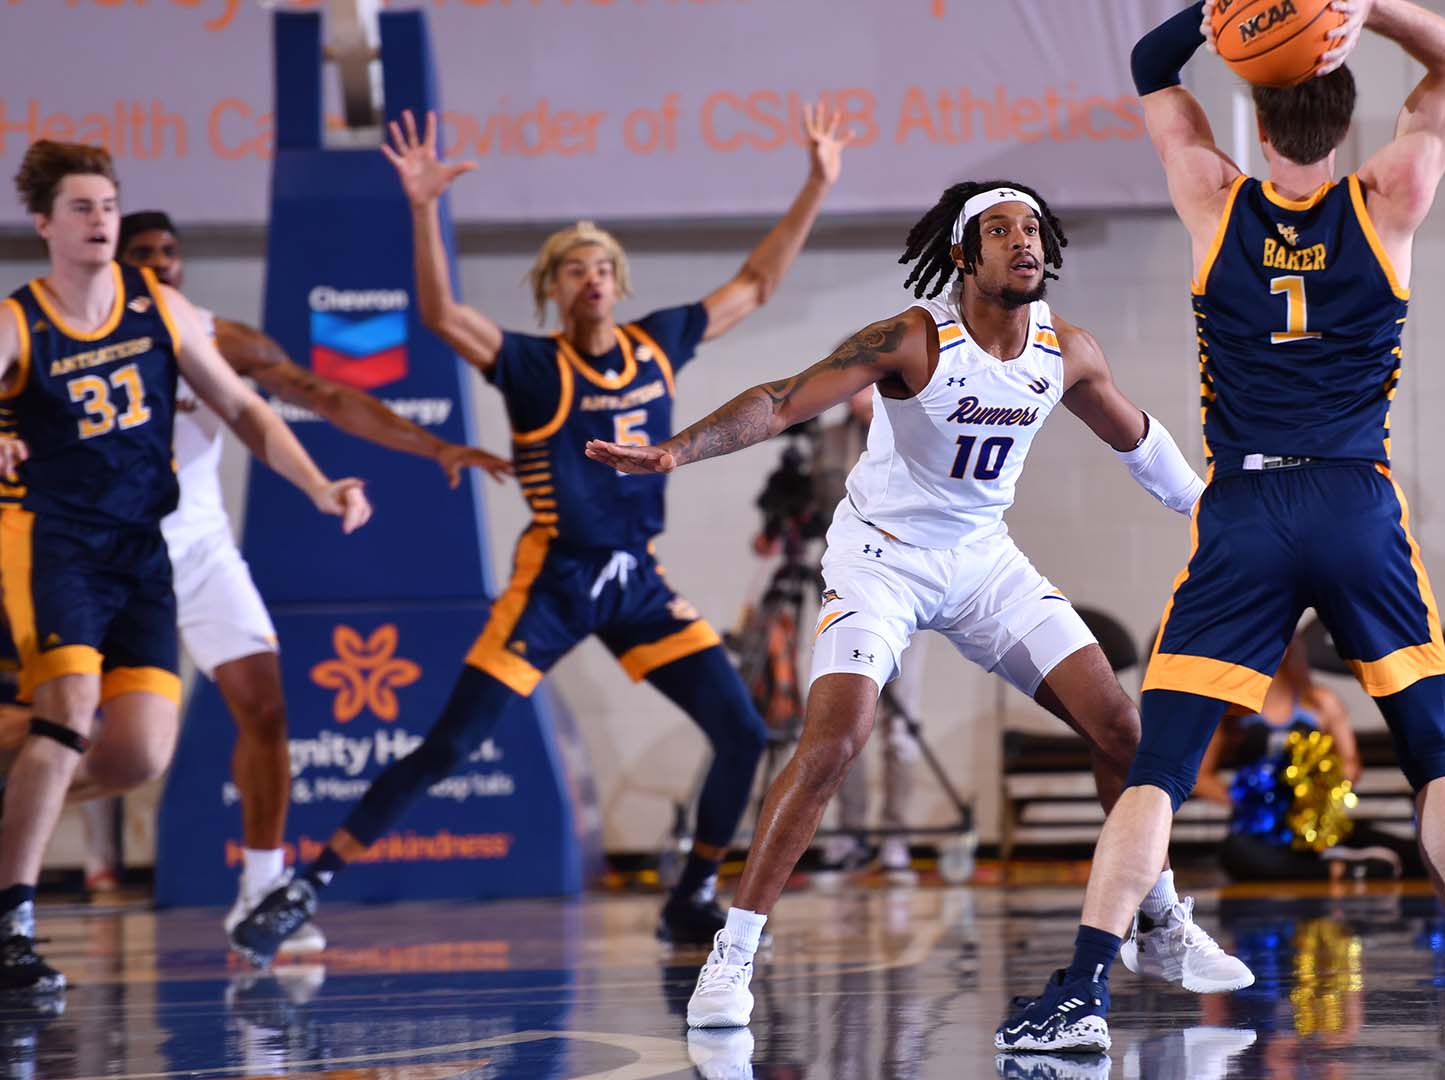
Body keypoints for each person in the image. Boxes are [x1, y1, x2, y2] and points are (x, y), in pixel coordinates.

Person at [584, 177, 1247, 1034]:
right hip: (881, 561)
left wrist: (1213, 511)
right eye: (1002, 230)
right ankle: (732, 953)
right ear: (964, 256)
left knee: (1121, 728)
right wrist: (677, 450)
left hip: (982, 562)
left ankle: (1156, 922)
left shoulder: (1067, 349)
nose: (1024, 242)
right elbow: (784, 399)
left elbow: (1138, 443)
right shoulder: (913, 338)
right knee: (835, 743)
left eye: (1034, 229)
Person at [1000, 0, 1445, 1053]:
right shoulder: (1392, 197)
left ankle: (1083, 989)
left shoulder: (1210, 199)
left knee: (1158, 770)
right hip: (1352, 498)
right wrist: (1363, 9)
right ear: (1345, 113)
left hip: (1243, 506)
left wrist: (1228, 9)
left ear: (1255, 104)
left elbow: (1153, 63)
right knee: (1432, 755)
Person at [229, 105, 847, 963]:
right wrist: (420, 206)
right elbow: (441, 313)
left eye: (602, 265)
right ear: (552, 289)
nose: (590, 276)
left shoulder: (661, 341)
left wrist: (818, 181)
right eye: (573, 268)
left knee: (743, 731)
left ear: (618, 283)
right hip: (554, 579)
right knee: (449, 744)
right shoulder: (532, 364)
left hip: (636, 580)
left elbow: (757, 284)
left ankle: (694, 892)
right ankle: (307, 884)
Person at [0, 139, 371, 997]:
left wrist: (319, 486)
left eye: (108, 205)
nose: (99, 220)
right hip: (56, 542)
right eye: (82, 208)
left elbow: (244, 405)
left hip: (146, 548)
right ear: (44, 225)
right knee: (68, 716)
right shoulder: (20, 320)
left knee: (135, 755)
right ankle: (14, 925)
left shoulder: (160, 310)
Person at [117, 209, 512, 950]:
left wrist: (434, 448)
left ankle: (261, 889)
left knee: (265, 708)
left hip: (201, 551)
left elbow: (325, 398)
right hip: (105, 553)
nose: (159, 264)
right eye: (141, 253)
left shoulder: (220, 339)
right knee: (91, 740)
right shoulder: (71, 341)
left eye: (169, 252)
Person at [810, 385, 924, 876]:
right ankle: (848, 832)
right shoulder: (829, 442)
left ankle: (895, 834)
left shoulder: (914, 434)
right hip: (846, 587)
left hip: (903, 585)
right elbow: (810, 510)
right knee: (840, 715)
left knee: (900, 723)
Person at [1198, 639, 1414, 881]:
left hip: (1315, 826)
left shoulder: (1320, 700)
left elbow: (1351, 764)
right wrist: (1245, 802)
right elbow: (1201, 775)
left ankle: (1339, 858)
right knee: (1236, 853)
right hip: (1259, 829)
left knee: (1410, 853)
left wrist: (1320, 797)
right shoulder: (1233, 705)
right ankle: (1338, 870)